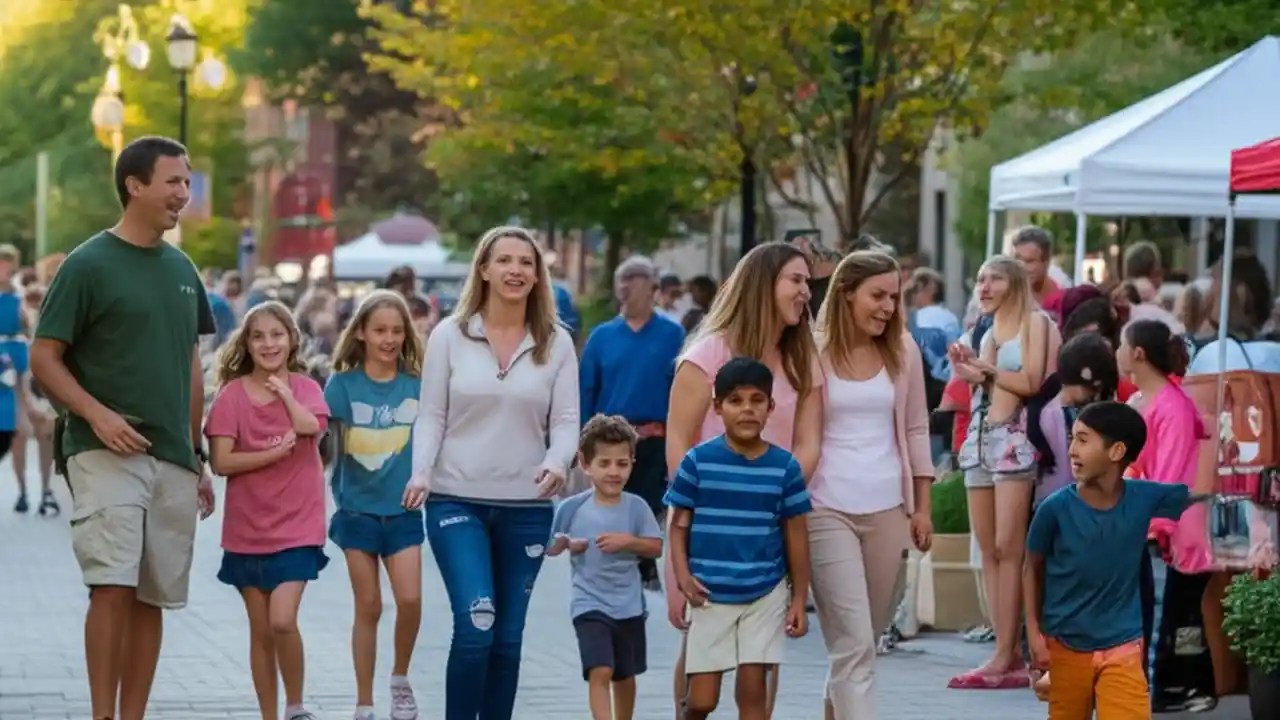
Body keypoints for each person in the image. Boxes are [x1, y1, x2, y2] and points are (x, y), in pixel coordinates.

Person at [30, 136, 217, 720]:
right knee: (111, 583)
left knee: (151, 593)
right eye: (173, 182)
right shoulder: (88, 264)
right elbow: (44, 357)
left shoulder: (183, 270)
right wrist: (96, 414)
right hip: (101, 449)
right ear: (134, 186)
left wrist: (197, 454)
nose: (184, 194)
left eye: (188, 182)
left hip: (171, 456)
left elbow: (188, 364)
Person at [406, 225, 579, 720]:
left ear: (537, 274)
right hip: (454, 499)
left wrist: (556, 460)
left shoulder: (556, 343)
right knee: (476, 622)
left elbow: (566, 421)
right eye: (504, 260)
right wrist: (421, 473)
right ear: (483, 269)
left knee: (507, 638)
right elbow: (431, 415)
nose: (515, 271)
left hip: (526, 508)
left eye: (526, 262)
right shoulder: (449, 335)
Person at [664, 241, 823, 719]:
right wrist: (693, 506)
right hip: (706, 517)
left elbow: (809, 440)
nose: (805, 293)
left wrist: (779, 492)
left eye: (806, 283)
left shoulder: (802, 358)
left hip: (770, 515)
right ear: (763, 285)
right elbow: (679, 437)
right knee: (701, 639)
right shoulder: (709, 353)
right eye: (795, 281)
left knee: (761, 656)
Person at [808, 251, 935, 718]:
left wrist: (921, 505)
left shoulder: (903, 351)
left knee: (858, 646)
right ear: (846, 294)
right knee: (855, 643)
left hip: (887, 509)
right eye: (877, 295)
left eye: (894, 297)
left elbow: (918, 427)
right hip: (824, 508)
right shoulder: (813, 351)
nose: (887, 306)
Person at [1025, 401, 1203, 719]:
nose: (1072, 450)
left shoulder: (1144, 497)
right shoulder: (1053, 510)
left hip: (1123, 644)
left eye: (1083, 439)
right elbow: (1031, 569)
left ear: (1117, 451)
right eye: (1073, 438)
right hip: (1065, 645)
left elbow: (1199, 493)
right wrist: (1034, 636)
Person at [665, 357, 812, 720]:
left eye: (757, 400)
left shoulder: (785, 468)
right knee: (701, 700)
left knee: (752, 694)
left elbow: (796, 534)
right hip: (709, 592)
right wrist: (682, 577)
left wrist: (799, 598)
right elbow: (679, 525)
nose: (747, 409)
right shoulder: (698, 463)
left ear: (770, 407)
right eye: (735, 401)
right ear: (717, 407)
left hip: (765, 591)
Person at [205, 301, 329, 720]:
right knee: (260, 631)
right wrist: (272, 452)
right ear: (247, 343)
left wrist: (285, 395)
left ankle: (295, 706)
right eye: (258, 336)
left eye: (277, 334)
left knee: (281, 620)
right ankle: (269, 714)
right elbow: (222, 462)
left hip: (299, 527)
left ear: (292, 339)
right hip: (248, 530)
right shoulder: (230, 397)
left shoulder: (308, 390)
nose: (268, 343)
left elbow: (310, 428)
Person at [949, 255, 1061, 689]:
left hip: (1015, 439)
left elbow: (1032, 380)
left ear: (1014, 283)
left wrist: (987, 368)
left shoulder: (1037, 323)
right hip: (981, 435)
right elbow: (986, 384)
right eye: (979, 279)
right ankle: (1002, 649)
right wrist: (968, 369)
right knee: (989, 549)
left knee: (1008, 546)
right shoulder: (989, 328)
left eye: (993, 278)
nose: (984, 286)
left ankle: (1005, 653)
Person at [325, 290, 426, 720]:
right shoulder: (342, 386)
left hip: (403, 511)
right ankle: (364, 702)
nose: (389, 339)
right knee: (368, 605)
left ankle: (399, 678)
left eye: (397, 330)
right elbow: (321, 447)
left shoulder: (417, 386)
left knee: (410, 599)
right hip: (357, 511)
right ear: (361, 332)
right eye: (380, 330)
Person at [1119, 320, 1215, 711]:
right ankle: (1173, 687)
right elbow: (1144, 464)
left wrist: (1155, 524)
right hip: (1166, 524)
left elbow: (1172, 472)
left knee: (1174, 613)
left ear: (1138, 354)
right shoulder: (1158, 401)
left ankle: (1177, 687)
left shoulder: (1170, 406)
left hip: (1177, 528)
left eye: (1122, 344)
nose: (1117, 351)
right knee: (1173, 610)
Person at [548, 414, 664, 720]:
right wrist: (566, 544)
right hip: (589, 604)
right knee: (600, 669)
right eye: (604, 464)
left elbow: (656, 546)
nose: (614, 472)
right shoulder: (572, 507)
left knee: (624, 675)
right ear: (585, 465)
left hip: (628, 606)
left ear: (632, 463)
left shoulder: (637, 507)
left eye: (622, 464)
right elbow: (552, 545)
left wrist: (627, 541)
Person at [580, 255, 684, 590]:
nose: (625, 286)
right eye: (620, 279)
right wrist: (580, 440)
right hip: (610, 435)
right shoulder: (602, 337)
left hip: (655, 435)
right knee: (612, 499)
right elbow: (586, 389)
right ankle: (617, 565)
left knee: (647, 502)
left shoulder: (672, 334)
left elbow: (682, 387)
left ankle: (644, 561)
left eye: (633, 278)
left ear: (652, 286)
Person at [1009, 226, 1064, 319]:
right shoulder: (1000, 294)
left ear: (1046, 263)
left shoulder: (1063, 299)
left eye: (1029, 261)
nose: (1022, 267)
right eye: (1017, 260)